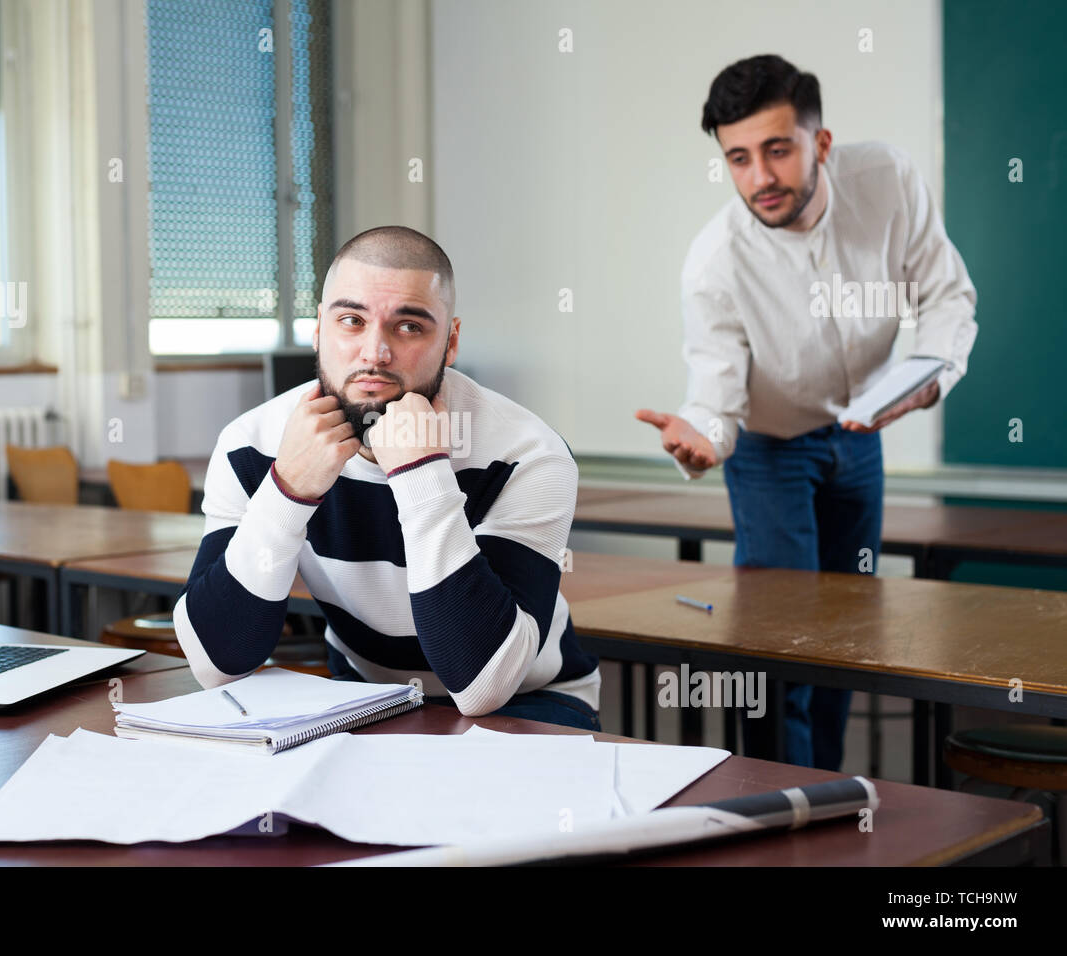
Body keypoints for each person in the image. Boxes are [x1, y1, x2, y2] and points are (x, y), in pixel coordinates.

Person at [636, 54, 977, 769]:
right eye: (738, 158)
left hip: (861, 437)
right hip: (767, 449)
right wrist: (705, 439)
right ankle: (774, 806)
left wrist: (931, 376)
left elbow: (945, 296)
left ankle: (828, 795)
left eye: (778, 150)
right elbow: (717, 393)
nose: (759, 177)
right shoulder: (714, 264)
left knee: (847, 637)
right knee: (778, 646)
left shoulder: (887, 179)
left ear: (821, 144)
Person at [174, 226, 601, 730]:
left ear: (451, 341)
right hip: (361, 695)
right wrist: (288, 488)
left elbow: (481, 685)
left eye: (409, 327)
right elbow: (216, 665)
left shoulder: (527, 453)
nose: (374, 352)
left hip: (527, 701)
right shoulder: (252, 444)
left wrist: (421, 474)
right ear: (318, 331)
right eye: (351, 321)